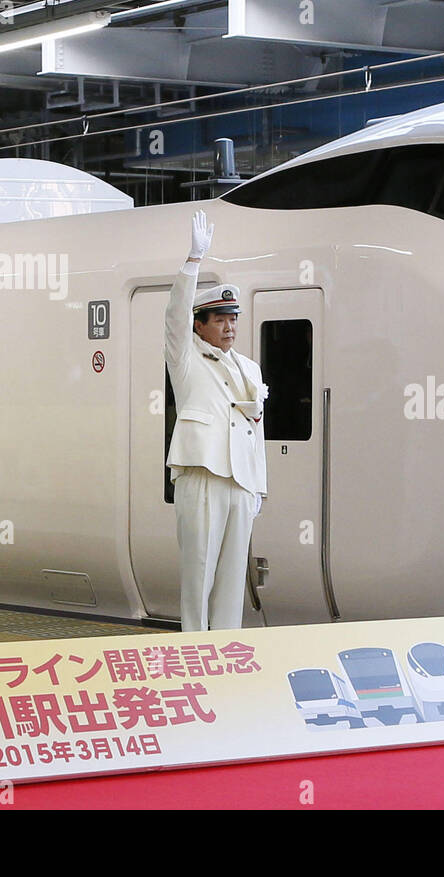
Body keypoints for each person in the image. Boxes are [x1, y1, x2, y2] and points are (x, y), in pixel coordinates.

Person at [166, 210, 268, 631]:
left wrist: (259, 486)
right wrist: (193, 261)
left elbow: (256, 431)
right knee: (199, 574)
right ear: (200, 325)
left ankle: (225, 653)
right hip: (202, 475)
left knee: (231, 580)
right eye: (221, 319)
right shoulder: (186, 359)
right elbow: (173, 316)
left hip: (240, 483)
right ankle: (193, 652)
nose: (230, 327)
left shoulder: (250, 368)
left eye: (234, 319)